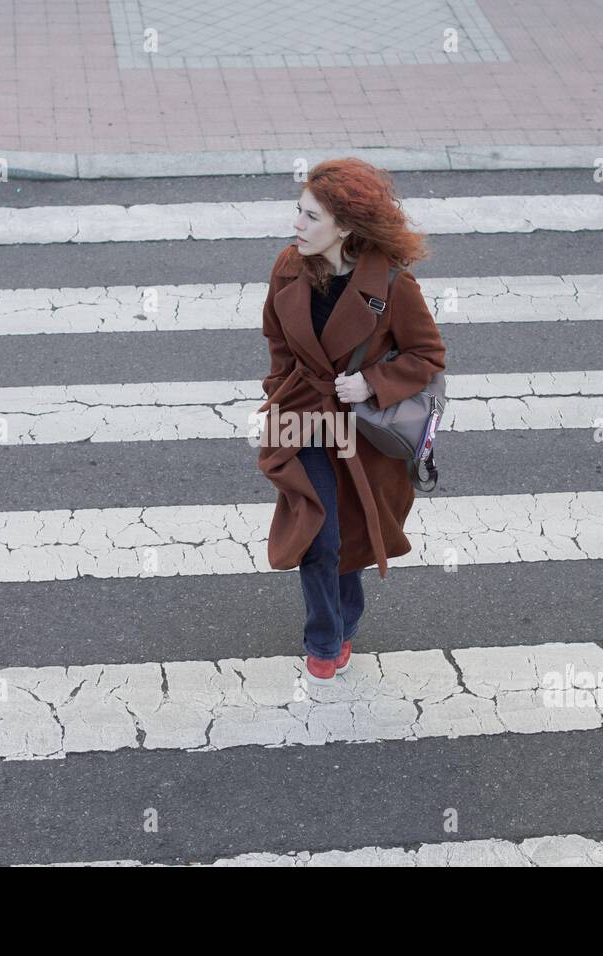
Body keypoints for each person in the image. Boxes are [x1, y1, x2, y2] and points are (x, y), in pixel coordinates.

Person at [255, 158, 447, 685]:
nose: (297, 225)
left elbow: (427, 355)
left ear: (344, 227)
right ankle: (324, 636)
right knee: (317, 531)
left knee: (350, 536)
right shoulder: (288, 267)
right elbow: (277, 340)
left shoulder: (390, 285)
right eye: (298, 211)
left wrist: (372, 384)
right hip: (303, 417)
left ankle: (347, 617)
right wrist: (277, 392)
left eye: (310, 216)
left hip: (360, 431)